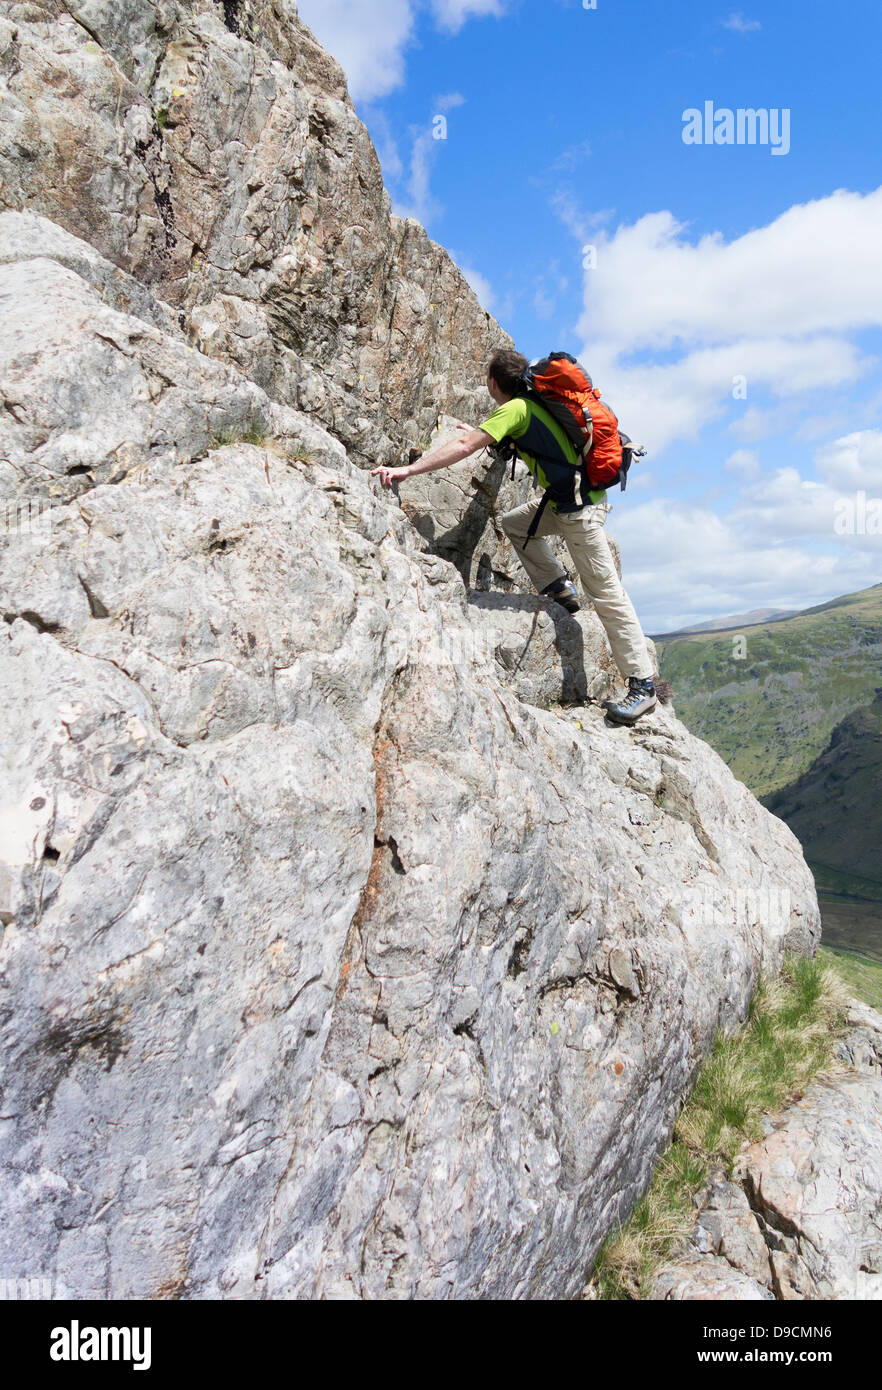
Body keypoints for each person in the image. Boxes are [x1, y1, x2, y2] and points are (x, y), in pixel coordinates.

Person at [372, 348, 657, 725]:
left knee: (607, 595)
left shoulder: (516, 410)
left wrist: (409, 470)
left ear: (493, 383)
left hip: (580, 513)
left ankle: (643, 686)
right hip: (565, 504)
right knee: (515, 524)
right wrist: (483, 434)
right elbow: (520, 441)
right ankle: (558, 587)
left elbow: (464, 447)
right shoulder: (529, 406)